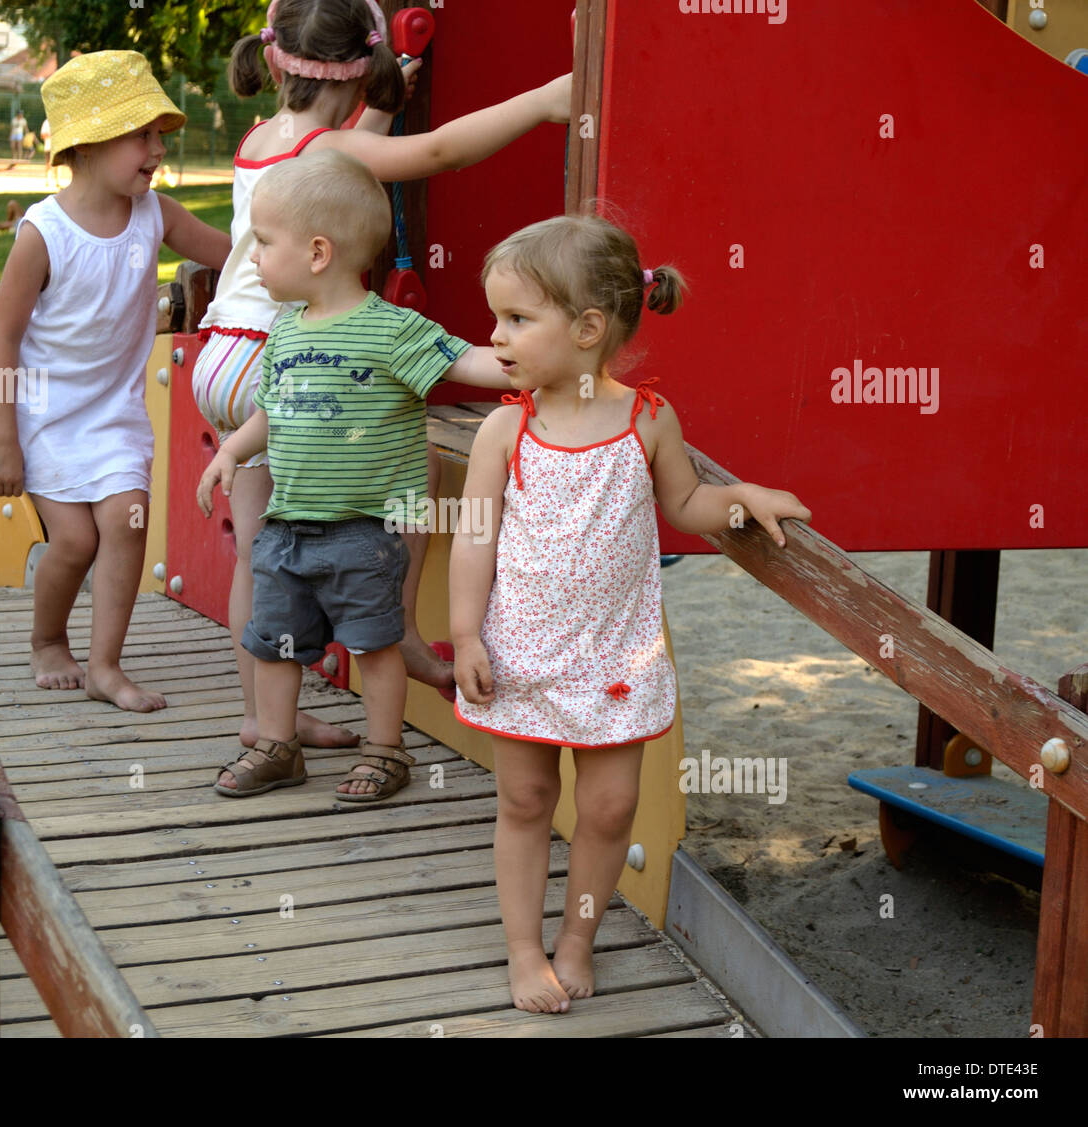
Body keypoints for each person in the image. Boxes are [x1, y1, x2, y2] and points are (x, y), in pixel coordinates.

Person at [191, 0, 571, 762]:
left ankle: (265, 715)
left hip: (221, 357)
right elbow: (440, 155)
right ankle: (390, 629)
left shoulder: (264, 140)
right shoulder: (334, 149)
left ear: (273, 61)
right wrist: (543, 102)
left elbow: (342, 161)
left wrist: (381, 99)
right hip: (290, 356)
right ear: (364, 68)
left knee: (263, 551)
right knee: (415, 473)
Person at [450, 215, 812, 1013]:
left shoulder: (646, 418)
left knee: (610, 807)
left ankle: (577, 938)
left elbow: (686, 502)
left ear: (586, 328)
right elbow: (473, 539)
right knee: (524, 801)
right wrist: (468, 632)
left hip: (617, 658)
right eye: (496, 317)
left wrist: (741, 496)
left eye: (516, 319)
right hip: (521, 655)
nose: (496, 336)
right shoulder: (505, 429)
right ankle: (521, 948)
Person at [196, 149, 514, 800]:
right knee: (275, 643)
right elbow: (269, 411)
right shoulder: (284, 332)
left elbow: (472, 363)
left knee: (377, 646)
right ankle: (278, 744)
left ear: (317, 253)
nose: (252, 257)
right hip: (289, 526)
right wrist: (231, 450)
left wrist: (535, 357)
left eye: (262, 242)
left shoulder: (391, 330)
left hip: (365, 531)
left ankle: (384, 750)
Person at [0, 50, 233, 712]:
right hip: (41, 417)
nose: (157, 149)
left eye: (159, 136)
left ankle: (105, 665)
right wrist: (4, 439)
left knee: (126, 520)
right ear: (86, 144)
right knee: (77, 539)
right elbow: (2, 338)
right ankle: (47, 640)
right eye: (141, 135)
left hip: (112, 414)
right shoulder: (44, 233)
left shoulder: (155, 215)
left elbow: (230, 253)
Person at [40, 117, 55, 187]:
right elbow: (42, 135)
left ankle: (58, 181)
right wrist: (50, 135)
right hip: (48, 147)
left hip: (56, 147)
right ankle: (48, 180)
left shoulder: (58, 121)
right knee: (48, 164)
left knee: (58, 165)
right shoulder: (46, 122)